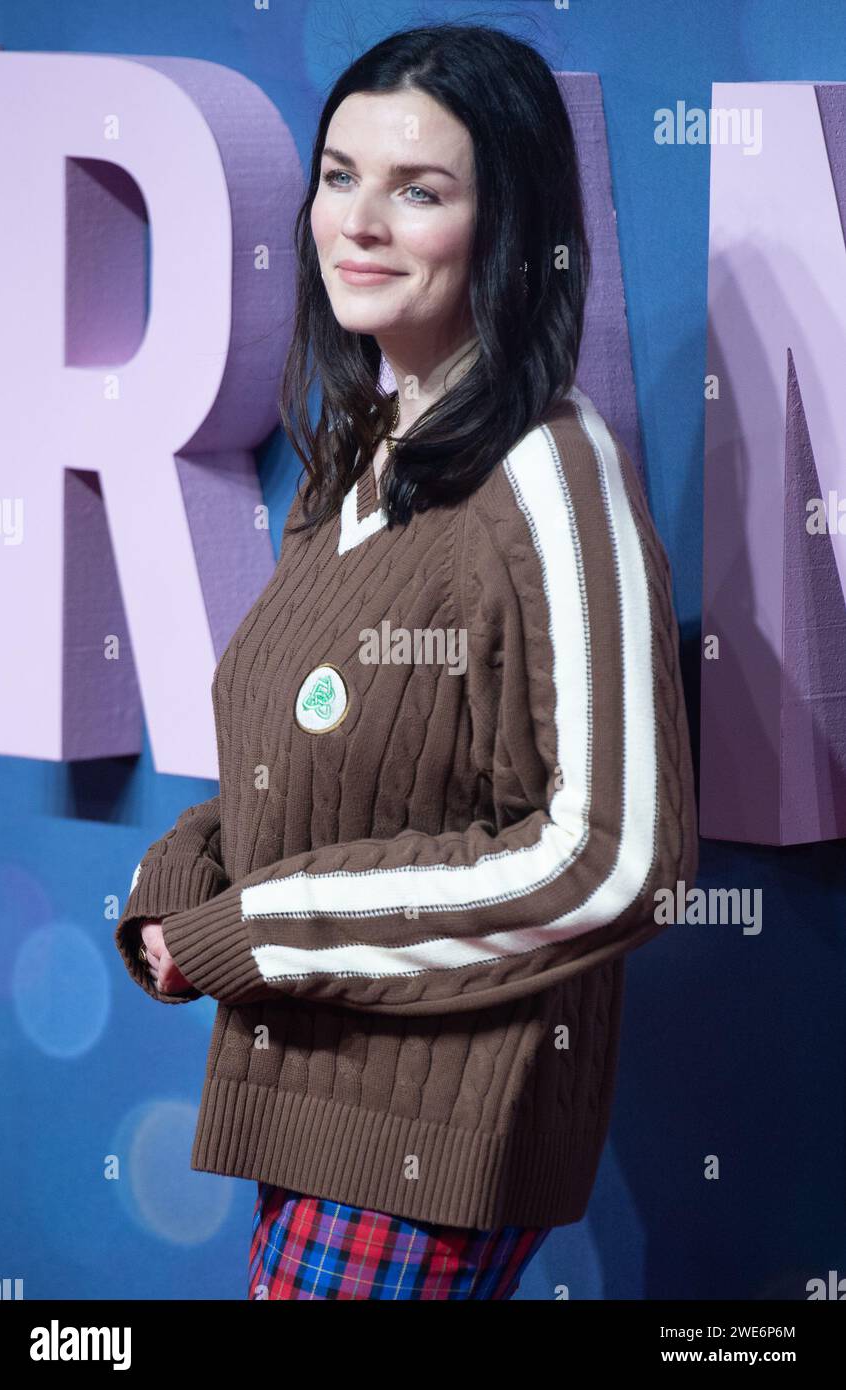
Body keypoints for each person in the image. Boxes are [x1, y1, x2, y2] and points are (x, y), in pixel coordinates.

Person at [114, 22, 698, 1301]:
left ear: (508, 225)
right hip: (306, 1106)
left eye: (417, 189)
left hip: (427, 1147)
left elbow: (613, 853)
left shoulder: (551, 473)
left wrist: (257, 929)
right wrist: (187, 874)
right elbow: (316, 767)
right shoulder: (357, 455)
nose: (357, 223)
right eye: (337, 176)